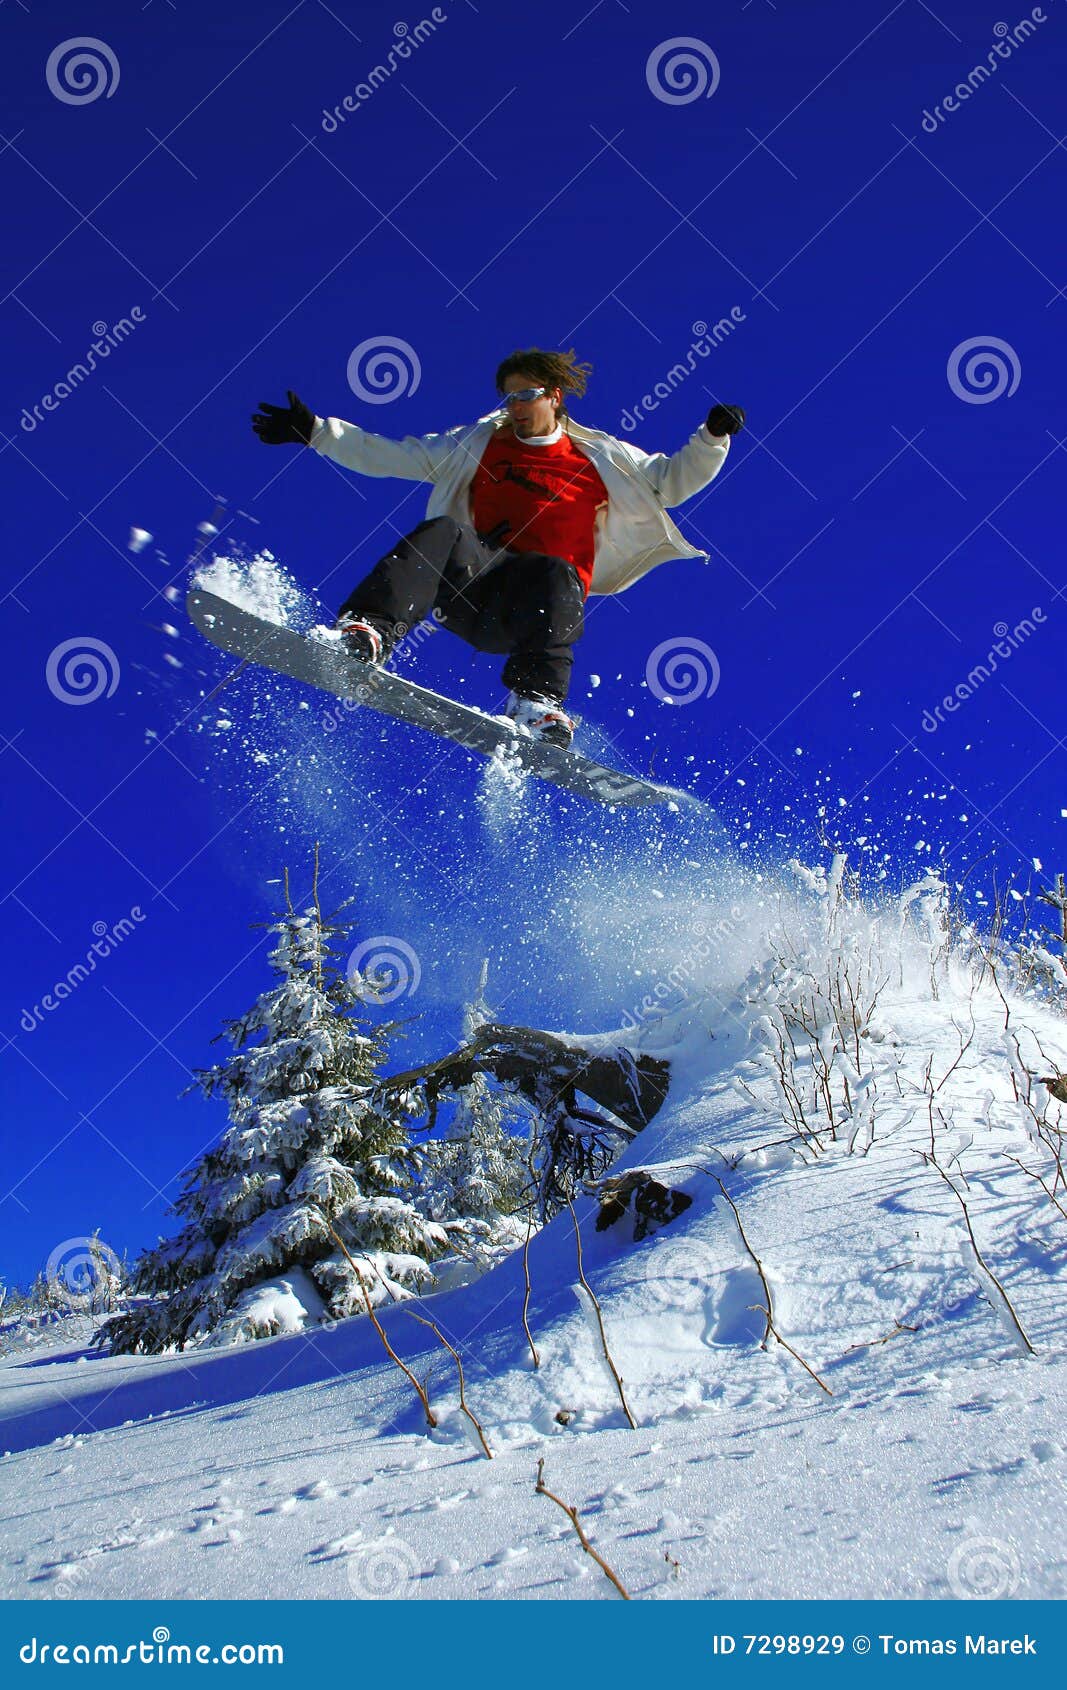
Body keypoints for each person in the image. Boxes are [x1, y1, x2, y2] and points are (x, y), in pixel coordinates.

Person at [252, 348, 743, 749]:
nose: (515, 407)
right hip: (470, 591)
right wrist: (317, 431)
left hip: (535, 610)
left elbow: (670, 481)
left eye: (526, 395)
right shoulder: (478, 443)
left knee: (556, 569)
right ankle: (367, 634)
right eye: (508, 398)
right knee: (443, 530)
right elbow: (393, 454)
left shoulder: (600, 458)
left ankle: (536, 702)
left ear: (553, 397)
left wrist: (711, 438)